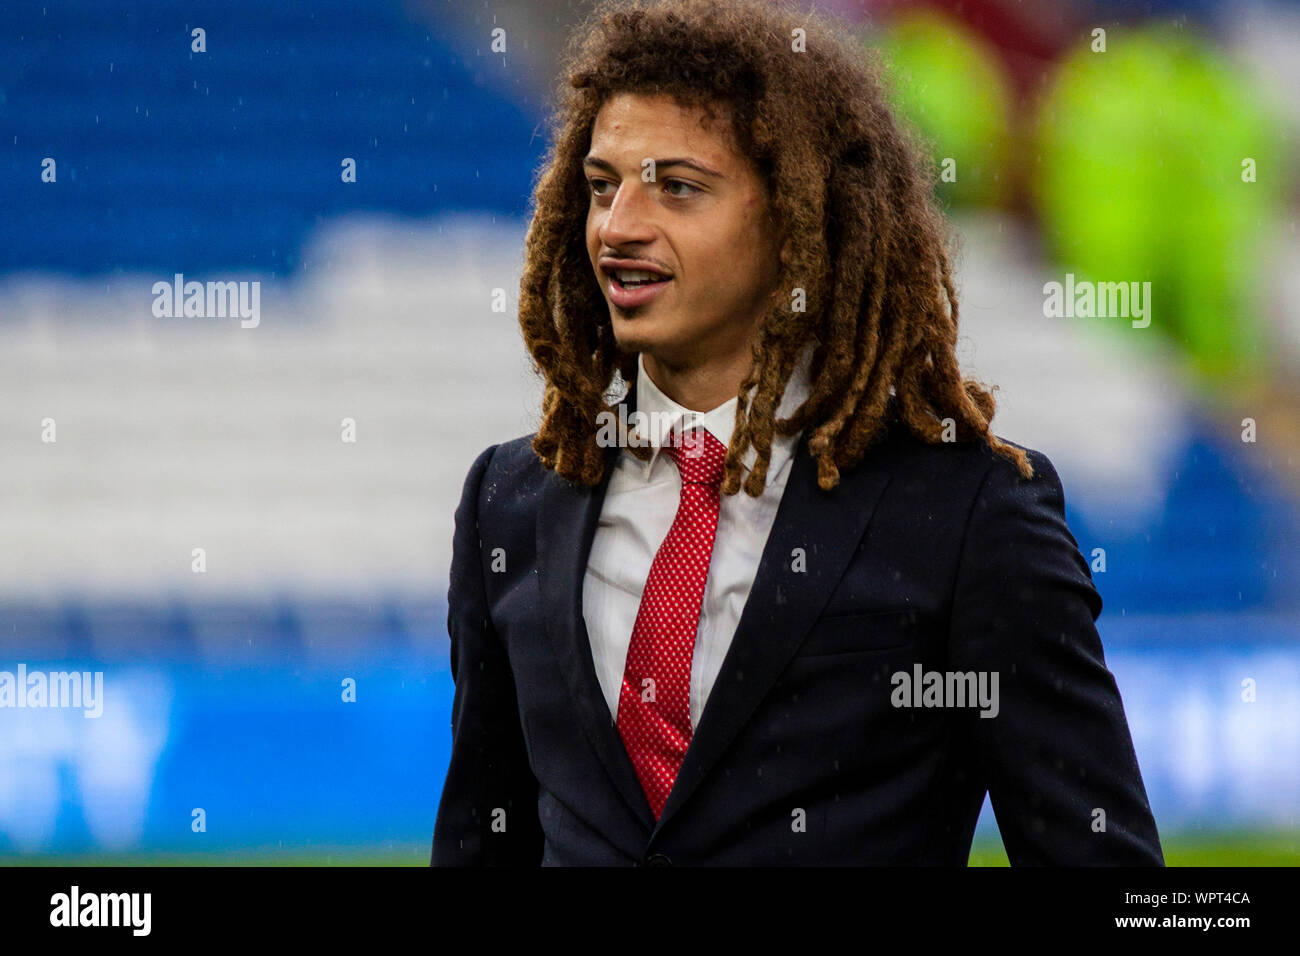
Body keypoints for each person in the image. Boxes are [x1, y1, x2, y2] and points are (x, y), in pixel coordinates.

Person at [431, 0, 1163, 865]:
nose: (619, 226)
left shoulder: (968, 513)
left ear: (797, 217)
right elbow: (485, 837)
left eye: (678, 187)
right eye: (602, 185)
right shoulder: (509, 504)